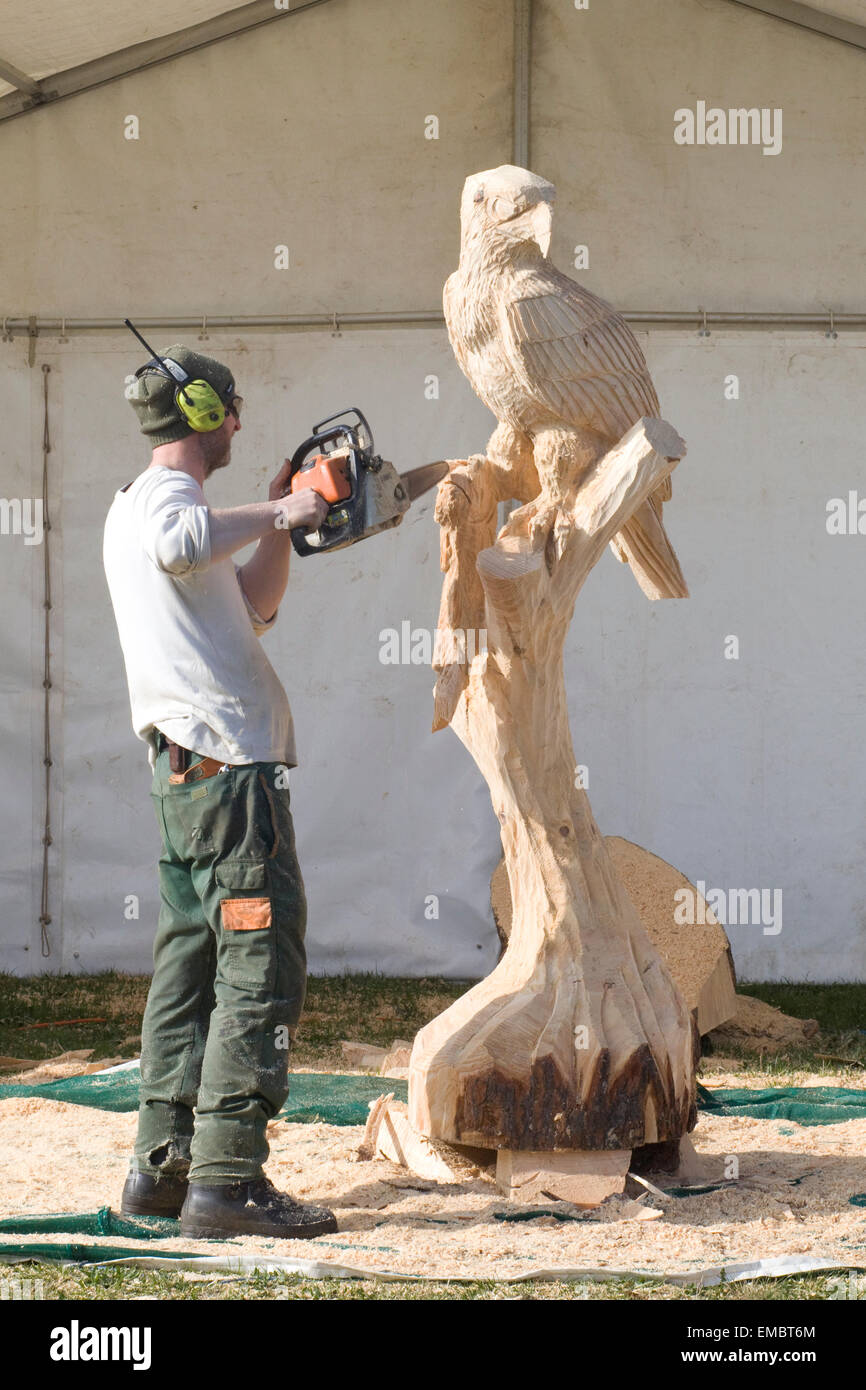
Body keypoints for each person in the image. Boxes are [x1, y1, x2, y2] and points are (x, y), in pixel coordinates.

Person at [103, 343, 337, 1240]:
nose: (238, 421)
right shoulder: (168, 503)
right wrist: (281, 501)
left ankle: (161, 1169)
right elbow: (182, 542)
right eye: (230, 409)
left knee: (188, 967)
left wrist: (282, 523)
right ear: (201, 413)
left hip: (189, 776)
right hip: (228, 778)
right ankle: (229, 1182)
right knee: (258, 967)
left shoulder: (143, 507)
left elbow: (254, 604)